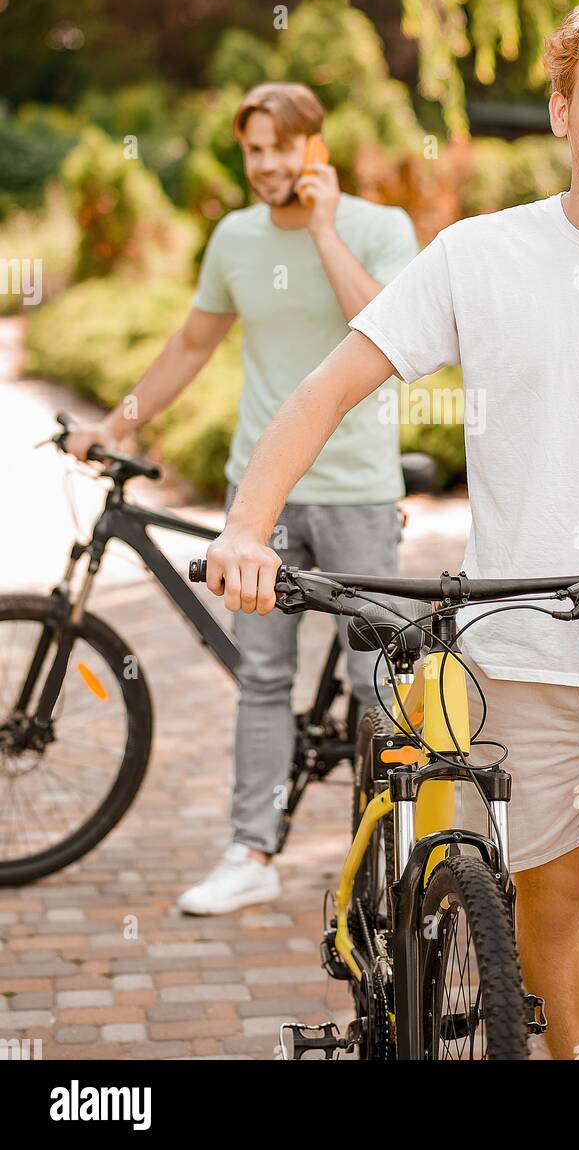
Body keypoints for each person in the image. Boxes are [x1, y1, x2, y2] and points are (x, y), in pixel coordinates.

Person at [202, 0, 579, 1059]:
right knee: (546, 909)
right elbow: (323, 389)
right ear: (559, 112)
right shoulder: (479, 256)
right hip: (519, 655)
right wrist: (248, 528)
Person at [67, 81, 417, 914]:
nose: (264, 165)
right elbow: (193, 341)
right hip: (262, 500)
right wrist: (119, 423)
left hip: (359, 490)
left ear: (315, 147)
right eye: (252, 149)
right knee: (262, 676)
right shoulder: (234, 237)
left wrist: (325, 230)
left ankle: (392, 860)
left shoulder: (378, 228)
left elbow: (393, 330)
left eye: (279, 147)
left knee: (378, 682)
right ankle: (251, 853)